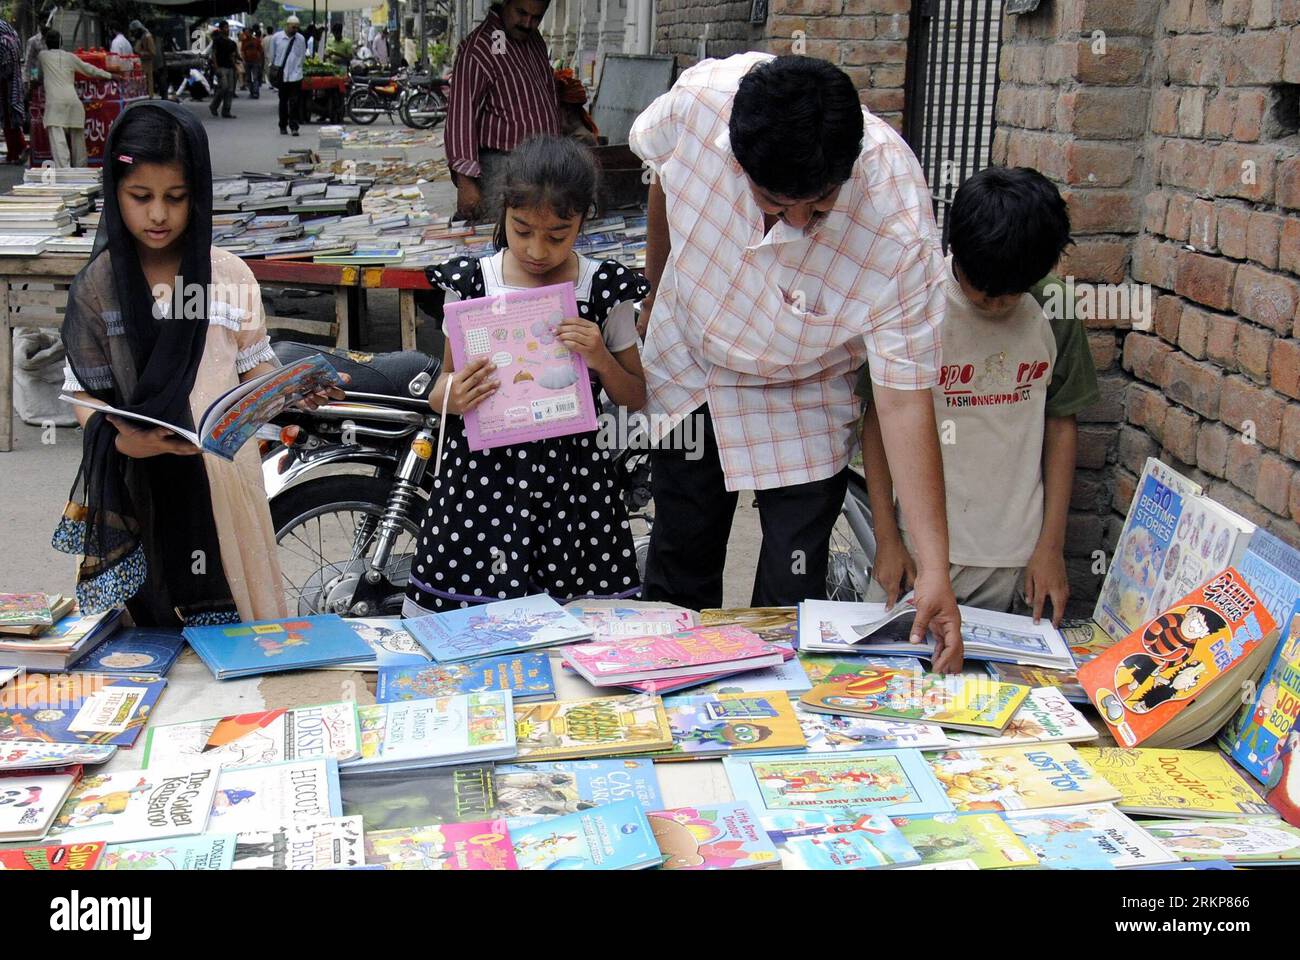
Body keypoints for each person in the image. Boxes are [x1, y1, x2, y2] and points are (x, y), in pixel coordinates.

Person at [628, 53, 963, 671]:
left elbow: (904, 399)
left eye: (821, 207)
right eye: (777, 205)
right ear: (736, 158)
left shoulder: (899, 223)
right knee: (680, 561)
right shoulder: (700, 102)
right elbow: (661, 173)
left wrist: (935, 567)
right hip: (694, 356)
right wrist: (654, 287)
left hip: (808, 383)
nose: (800, 225)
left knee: (790, 595)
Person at [55, 103, 344, 626]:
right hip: (136, 487)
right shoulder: (100, 288)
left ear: (199, 195)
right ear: (114, 192)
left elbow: (256, 374)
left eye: (176, 198)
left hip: (223, 487)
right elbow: (83, 395)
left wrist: (291, 392)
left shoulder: (228, 277)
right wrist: (121, 438)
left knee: (233, 636)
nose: (158, 215)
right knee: (146, 650)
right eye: (140, 197)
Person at [405, 135, 649, 614]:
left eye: (558, 235)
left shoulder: (601, 289)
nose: (538, 249)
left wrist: (599, 355)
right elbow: (441, 392)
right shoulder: (474, 283)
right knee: (477, 623)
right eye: (522, 230)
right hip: (480, 488)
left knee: (575, 626)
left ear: (583, 220)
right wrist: (454, 396)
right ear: (503, 214)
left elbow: (635, 396)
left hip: (574, 489)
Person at [860, 167, 1099, 627]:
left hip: (1013, 557)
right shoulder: (915, 304)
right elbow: (877, 421)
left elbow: (1062, 426)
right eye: (983, 293)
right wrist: (887, 538)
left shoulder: (1053, 309)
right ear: (956, 252)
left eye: (1009, 296)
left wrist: (1050, 548)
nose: (993, 305)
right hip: (916, 550)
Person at [445, 0, 560, 221]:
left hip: (543, 165)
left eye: (537, 17)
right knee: (504, 243)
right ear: (506, 2)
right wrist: (466, 182)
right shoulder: (479, 48)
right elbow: (461, 115)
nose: (527, 23)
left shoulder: (534, 40)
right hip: (502, 168)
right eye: (521, 13)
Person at [37, 32, 116, 168]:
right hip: (73, 102)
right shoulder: (70, 57)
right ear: (61, 43)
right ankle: (81, 170)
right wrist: (110, 75)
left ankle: (64, 171)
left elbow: (38, 74)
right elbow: (89, 69)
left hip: (55, 104)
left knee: (59, 142)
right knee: (78, 143)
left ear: (46, 44)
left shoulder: (43, 56)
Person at [268, 16, 307, 136]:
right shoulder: (277, 38)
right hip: (282, 74)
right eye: (293, 27)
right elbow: (272, 56)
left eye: (297, 27)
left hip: (296, 75)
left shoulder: (300, 39)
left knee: (295, 102)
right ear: (287, 25)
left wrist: (299, 68)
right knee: (283, 101)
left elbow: (302, 55)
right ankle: (283, 125)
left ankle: (294, 127)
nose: (295, 29)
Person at [0, 19, 26, 165]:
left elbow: (5, 67)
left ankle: (16, 151)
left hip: (6, 85)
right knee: (12, 120)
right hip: (14, 83)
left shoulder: (3, 43)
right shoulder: (13, 38)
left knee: (9, 120)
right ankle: (16, 151)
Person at [208, 22, 240, 119]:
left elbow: (233, 56)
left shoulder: (231, 43)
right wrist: (216, 67)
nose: (227, 29)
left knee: (230, 90)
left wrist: (236, 66)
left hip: (230, 67)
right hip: (221, 67)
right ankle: (214, 105)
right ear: (221, 29)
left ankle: (226, 111)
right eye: (225, 28)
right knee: (224, 87)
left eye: (228, 27)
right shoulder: (217, 41)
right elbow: (214, 54)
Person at [130, 20, 161, 97]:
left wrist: (140, 53)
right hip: (140, 66)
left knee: (147, 86)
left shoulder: (147, 36)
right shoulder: (140, 37)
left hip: (146, 65)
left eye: (135, 31)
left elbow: (152, 52)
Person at [241, 26, 263, 98]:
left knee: (255, 77)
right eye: (245, 33)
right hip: (247, 61)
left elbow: (260, 50)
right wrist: (243, 60)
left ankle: (256, 92)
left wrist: (260, 60)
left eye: (247, 32)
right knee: (248, 78)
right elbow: (243, 51)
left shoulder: (256, 40)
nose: (246, 34)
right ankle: (251, 92)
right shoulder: (244, 41)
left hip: (255, 61)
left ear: (251, 33)